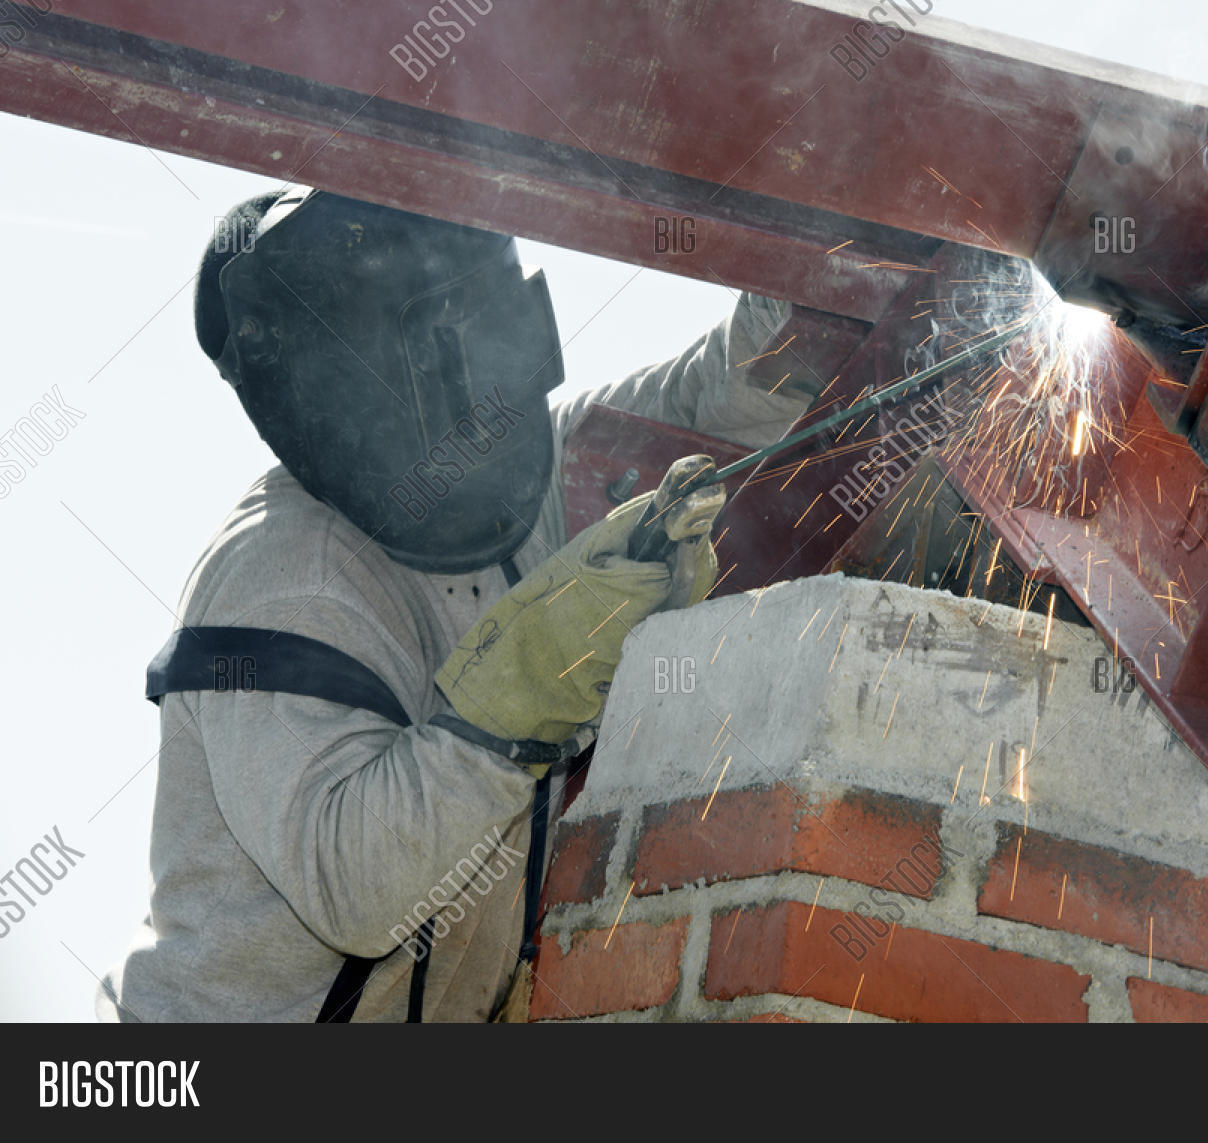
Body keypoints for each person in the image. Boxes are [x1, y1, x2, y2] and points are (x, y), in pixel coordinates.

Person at [97, 187, 808, 1021]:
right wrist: (527, 692)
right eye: (457, 343)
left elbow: (710, 407)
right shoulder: (289, 576)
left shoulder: (521, 482)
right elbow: (361, 887)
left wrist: (808, 300)